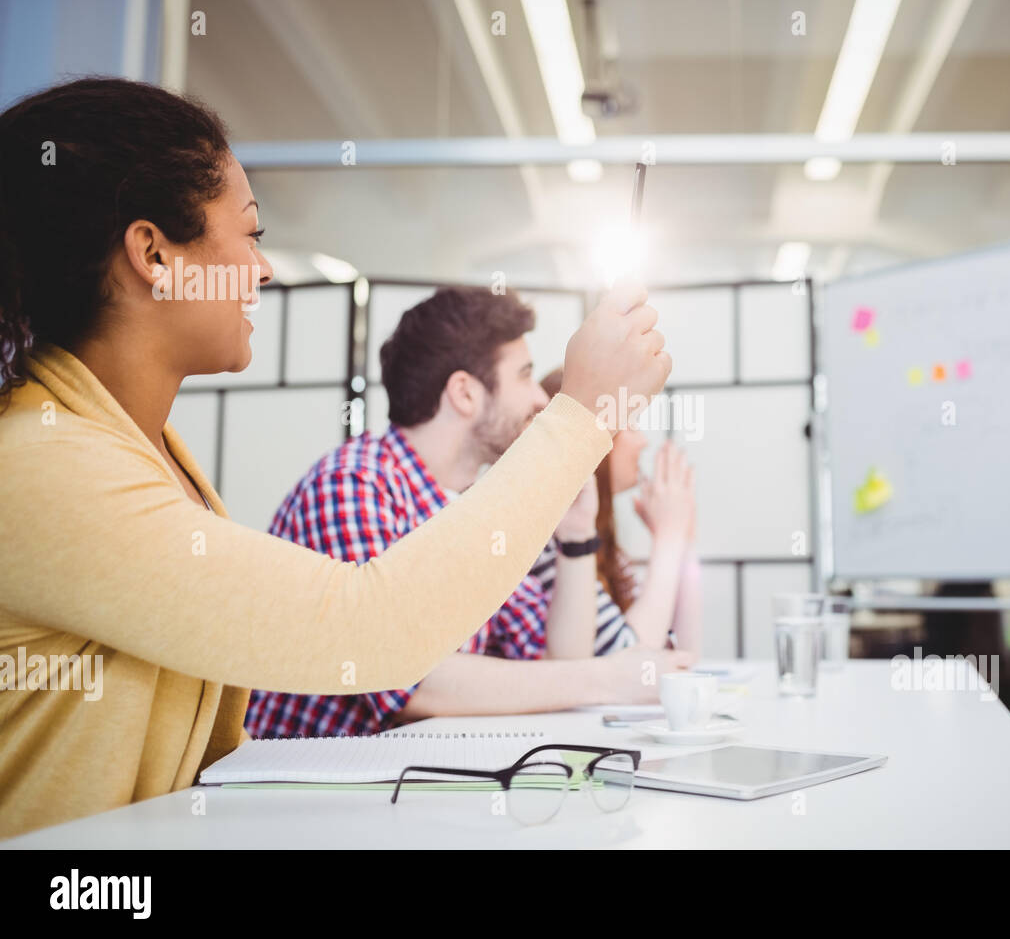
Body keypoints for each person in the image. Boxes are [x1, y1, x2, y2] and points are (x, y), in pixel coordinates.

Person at [0, 77, 670, 838]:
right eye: (249, 235)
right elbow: (373, 631)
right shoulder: (43, 465)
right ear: (155, 253)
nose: (265, 269)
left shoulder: (131, 449)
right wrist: (580, 414)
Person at [245, 288, 692, 736]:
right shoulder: (354, 481)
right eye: (524, 376)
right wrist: (608, 681)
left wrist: (576, 538)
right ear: (464, 393)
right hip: (303, 790)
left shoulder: (473, 503)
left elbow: (556, 663)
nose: (540, 399)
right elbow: (406, 681)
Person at [536, 369, 702, 657]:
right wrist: (669, 539)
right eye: (631, 425)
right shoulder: (549, 539)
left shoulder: (604, 542)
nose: (643, 442)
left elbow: (679, 652)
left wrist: (682, 538)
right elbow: (627, 659)